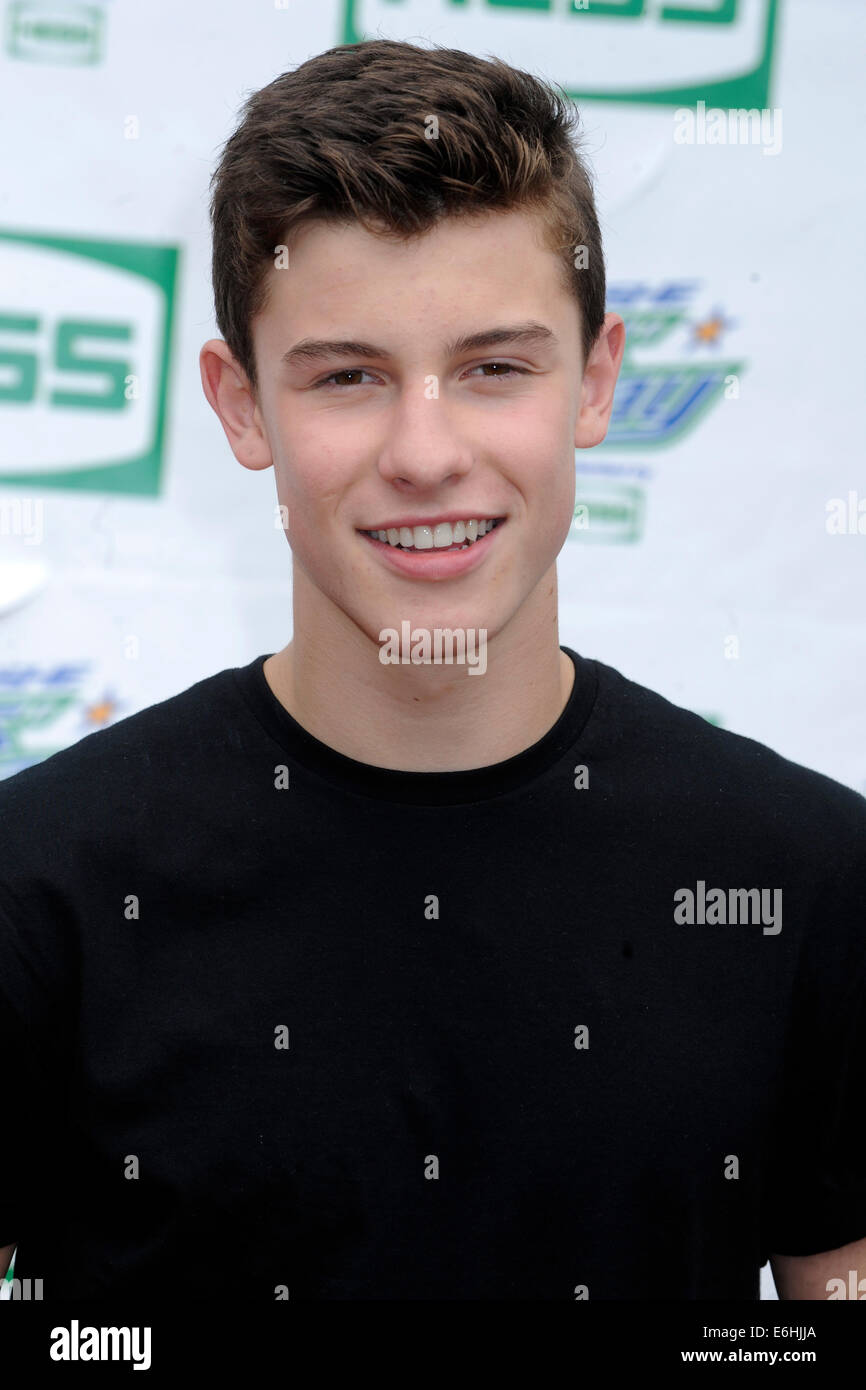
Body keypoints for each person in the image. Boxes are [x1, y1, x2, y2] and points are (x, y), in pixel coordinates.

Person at [1, 38, 864, 1302]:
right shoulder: (40, 884)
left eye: (493, 369)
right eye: (347, 376)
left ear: (596, 379)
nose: (424, 452)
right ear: (241, 408)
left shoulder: (806, 880)